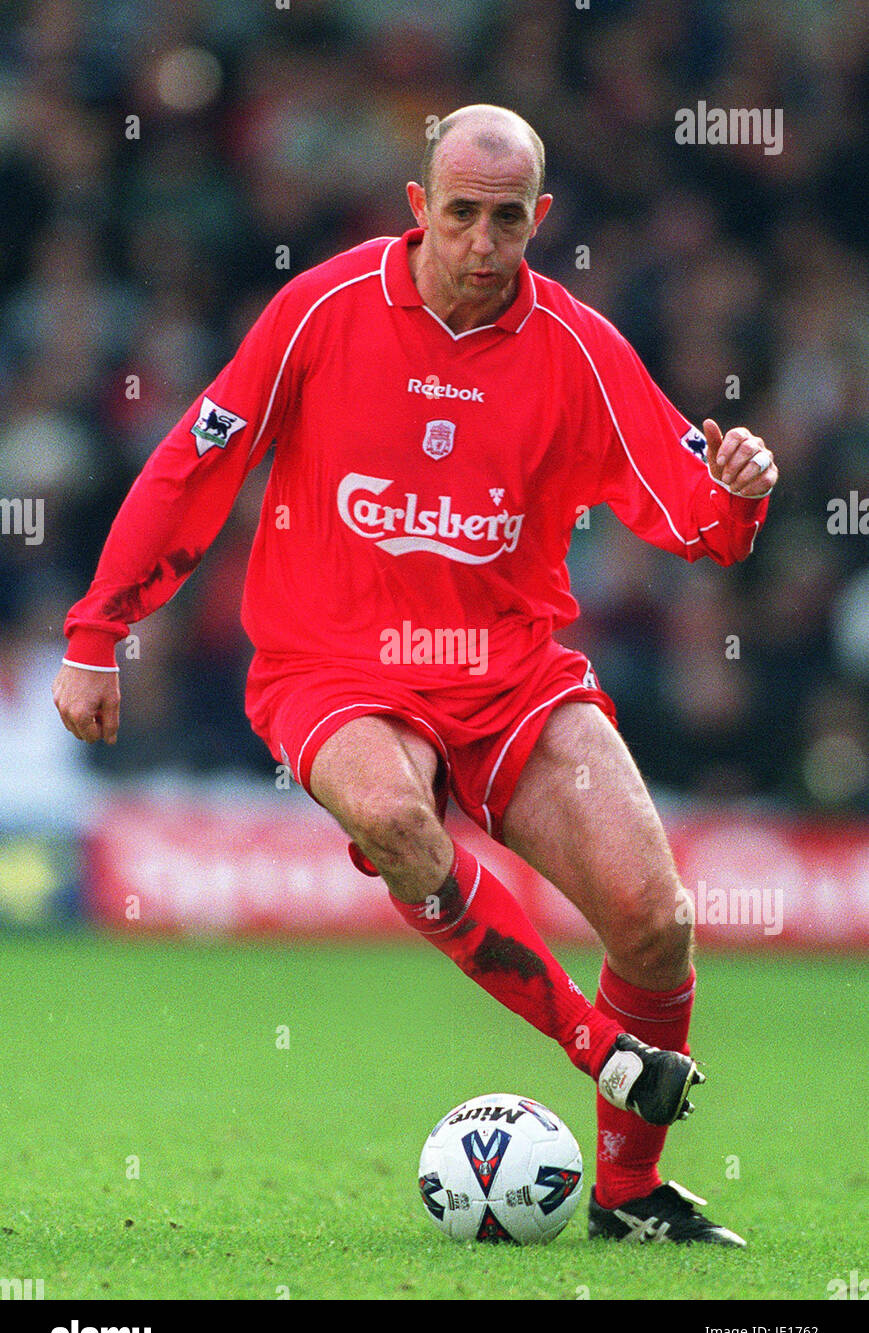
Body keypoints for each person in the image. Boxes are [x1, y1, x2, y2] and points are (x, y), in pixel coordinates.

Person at [53, 105, 778, 1245]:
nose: (482, 243)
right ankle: (592, 1047)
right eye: (460, 216)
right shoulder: (320, 309)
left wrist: (738, 487)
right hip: (329, 664)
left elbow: (701, 526)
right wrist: (100, 631)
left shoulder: (580, 347)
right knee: (396, 817)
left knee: (654, 922)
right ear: (416, 208)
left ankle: (630, 1196)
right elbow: (199, 460)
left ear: (538, 219)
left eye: (505, 220)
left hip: (511, 674)